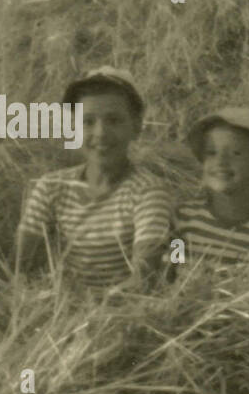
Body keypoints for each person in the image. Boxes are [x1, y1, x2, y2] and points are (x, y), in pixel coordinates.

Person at [14, 67, 172, 292]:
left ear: (136, 127)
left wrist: (92, 309)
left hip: (123, 311)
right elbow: (21, 267)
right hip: (61, 306)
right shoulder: (51, 186)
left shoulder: (147, 191)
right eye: (87, 122)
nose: (100, 133)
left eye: (114, 120)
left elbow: (144, 277)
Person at [175, 107, 249, 270]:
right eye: (211, 153)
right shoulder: (184, 219)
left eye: (235, 153)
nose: (221, 161)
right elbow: (166, 277)